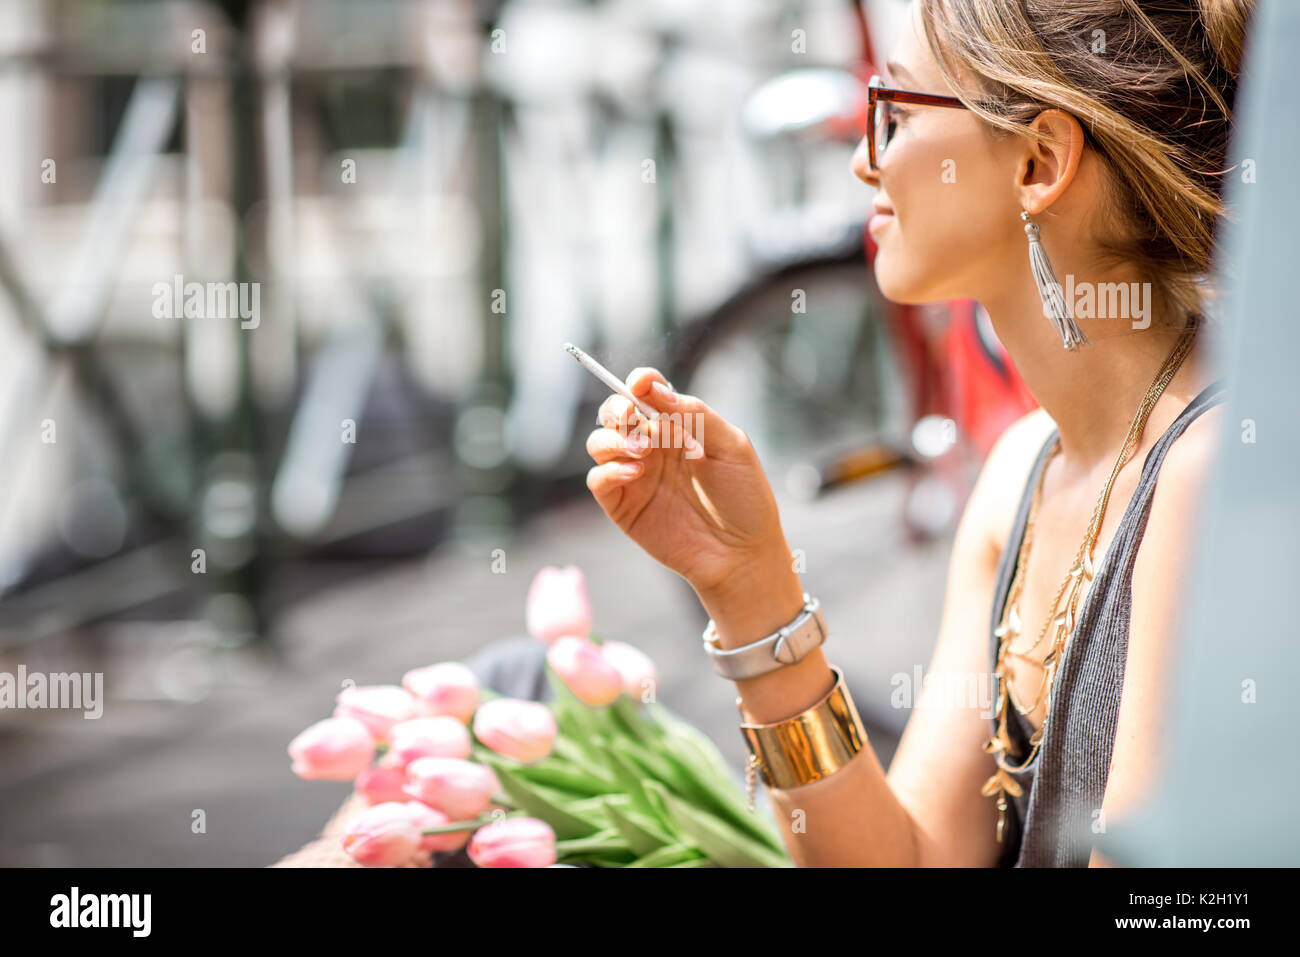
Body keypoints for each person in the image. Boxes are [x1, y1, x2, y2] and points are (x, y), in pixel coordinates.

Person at [582, 0, 1252, 867]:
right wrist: (750, 587)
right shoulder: (1023, 472)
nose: (865, 161)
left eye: (893, 114)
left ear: (1040, 161)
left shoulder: (1210, 475)